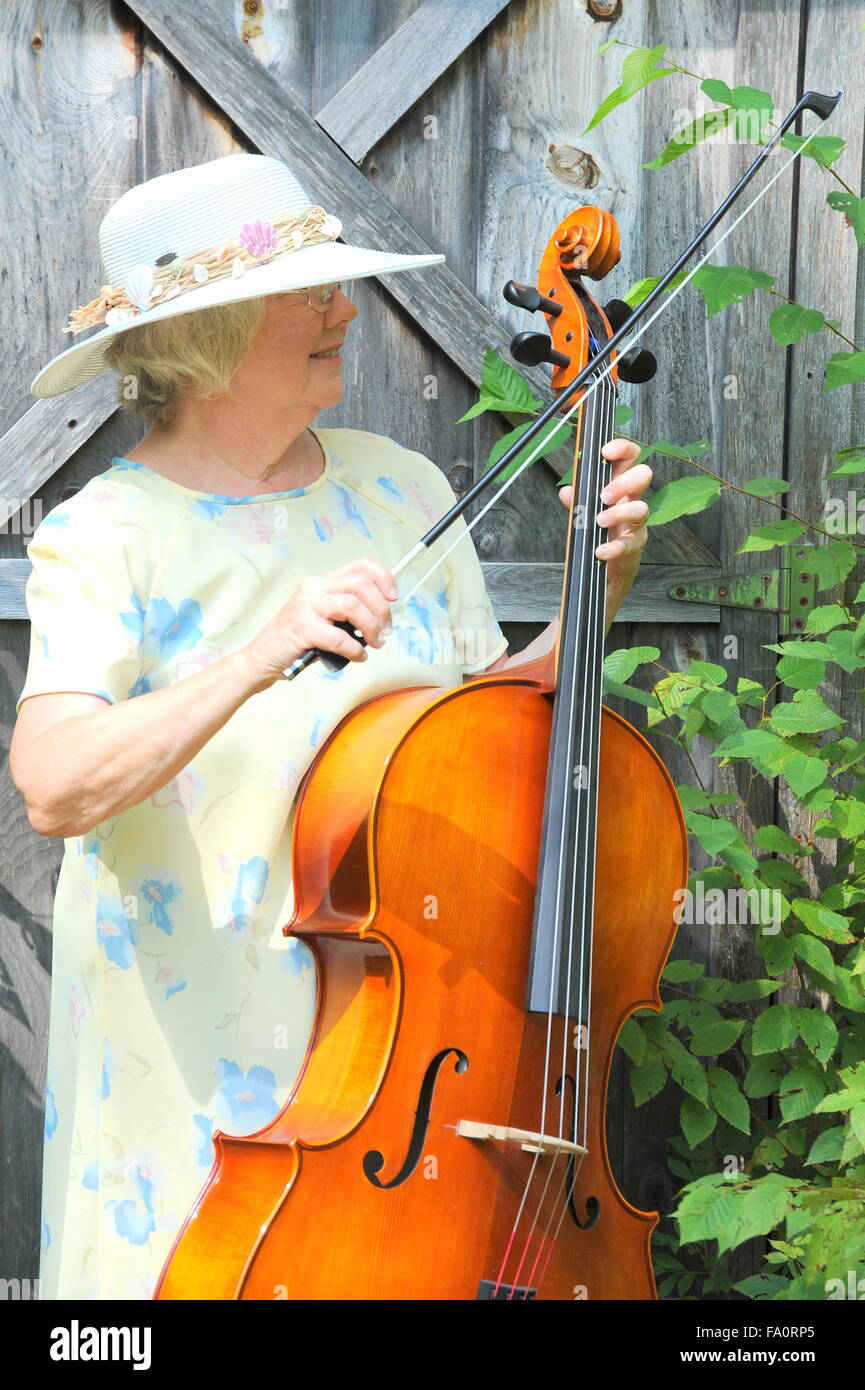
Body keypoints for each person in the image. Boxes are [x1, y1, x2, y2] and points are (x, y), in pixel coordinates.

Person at [10, 153, 651, 1299]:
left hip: (380, 1059)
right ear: (206, 337)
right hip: (186, 1062)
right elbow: (56, 785)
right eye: (310, 292)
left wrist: (591, 594)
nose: (345, 309)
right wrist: (257, 655)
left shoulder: (395, 485)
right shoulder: (108, 534)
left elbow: (483, 726)